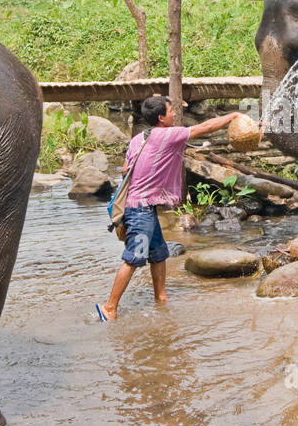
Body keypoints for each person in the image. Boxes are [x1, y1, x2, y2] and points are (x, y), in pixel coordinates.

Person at [97, 95, 242, 321]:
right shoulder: (167, 135)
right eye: (171, 110)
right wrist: (233, 115)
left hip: (141, 207)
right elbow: (204, 127)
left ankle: (161, 297)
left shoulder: (139, 138)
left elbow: (125, 168)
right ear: (161, 118)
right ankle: (109, 307)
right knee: (133, 259)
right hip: (140, 210)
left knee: (158, 254)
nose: (175, 113)